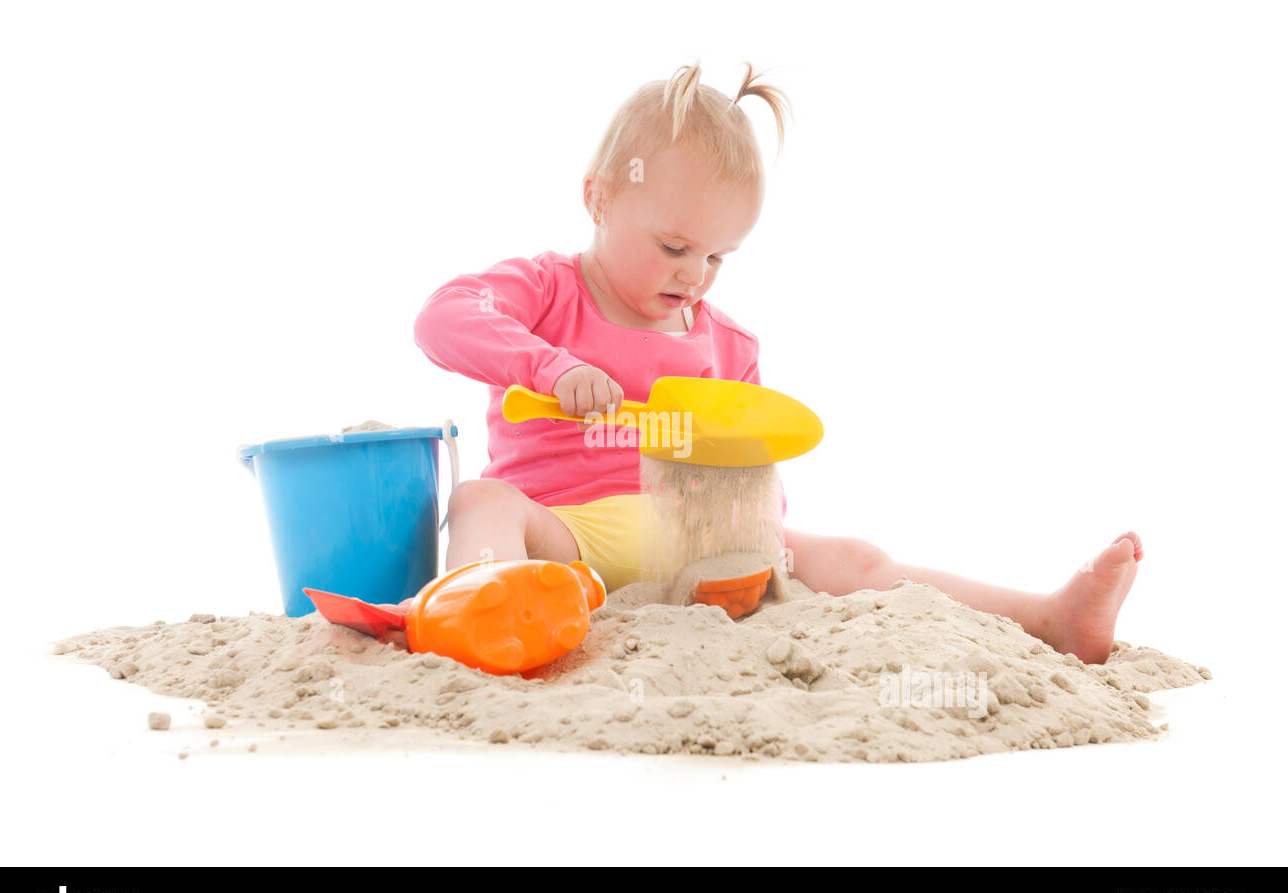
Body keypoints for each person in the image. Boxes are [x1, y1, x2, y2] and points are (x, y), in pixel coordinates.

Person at [414, 61, 1143, 665]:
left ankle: (1048, 618)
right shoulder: (545, 290)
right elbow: (443, 319)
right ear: (598, 199)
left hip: (689, 543)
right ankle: (483, 617)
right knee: (482, 502)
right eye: (674, 248)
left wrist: (751, 544)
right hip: (565, 535)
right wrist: (547, 368)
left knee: (852, 557)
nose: (695, 273)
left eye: (717, 256)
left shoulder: (728, 345)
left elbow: (752, 477)